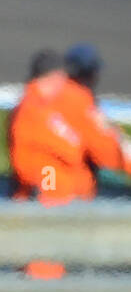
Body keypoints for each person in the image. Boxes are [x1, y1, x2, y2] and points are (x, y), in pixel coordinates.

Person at [55, 42, 131, 197]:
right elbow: (109, 143)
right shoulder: (82, 104)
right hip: (73, 187)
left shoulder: (51, 96)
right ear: (90, 73)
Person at [6, 49, 87, 203]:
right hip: (45, 206)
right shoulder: (31, 110)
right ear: (54, 76)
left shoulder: (44, 107)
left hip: (55, 201)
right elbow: (28, 164)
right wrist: (48, 194)